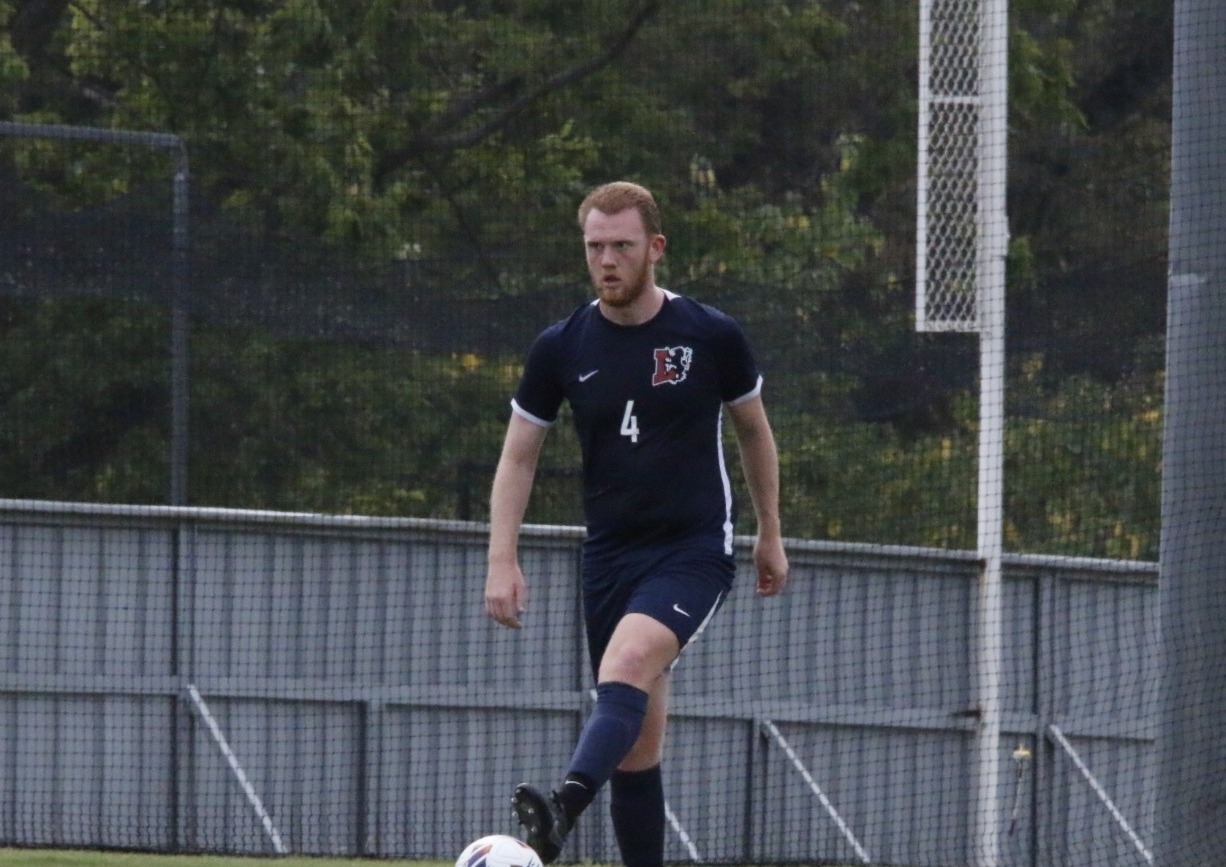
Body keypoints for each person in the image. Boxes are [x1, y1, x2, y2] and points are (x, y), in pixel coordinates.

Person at [483, 181, 789, 867]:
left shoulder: (709, 334)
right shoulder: (561, 346)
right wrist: (502, 557)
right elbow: (518, 455)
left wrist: (769, 531)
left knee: (623, 666)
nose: (607, 260)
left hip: (691, 549)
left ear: (655, 248)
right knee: (637, 743)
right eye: (595, 247)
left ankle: (563, 806)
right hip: (610, 557)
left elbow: (754, 434)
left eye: (622, 245)